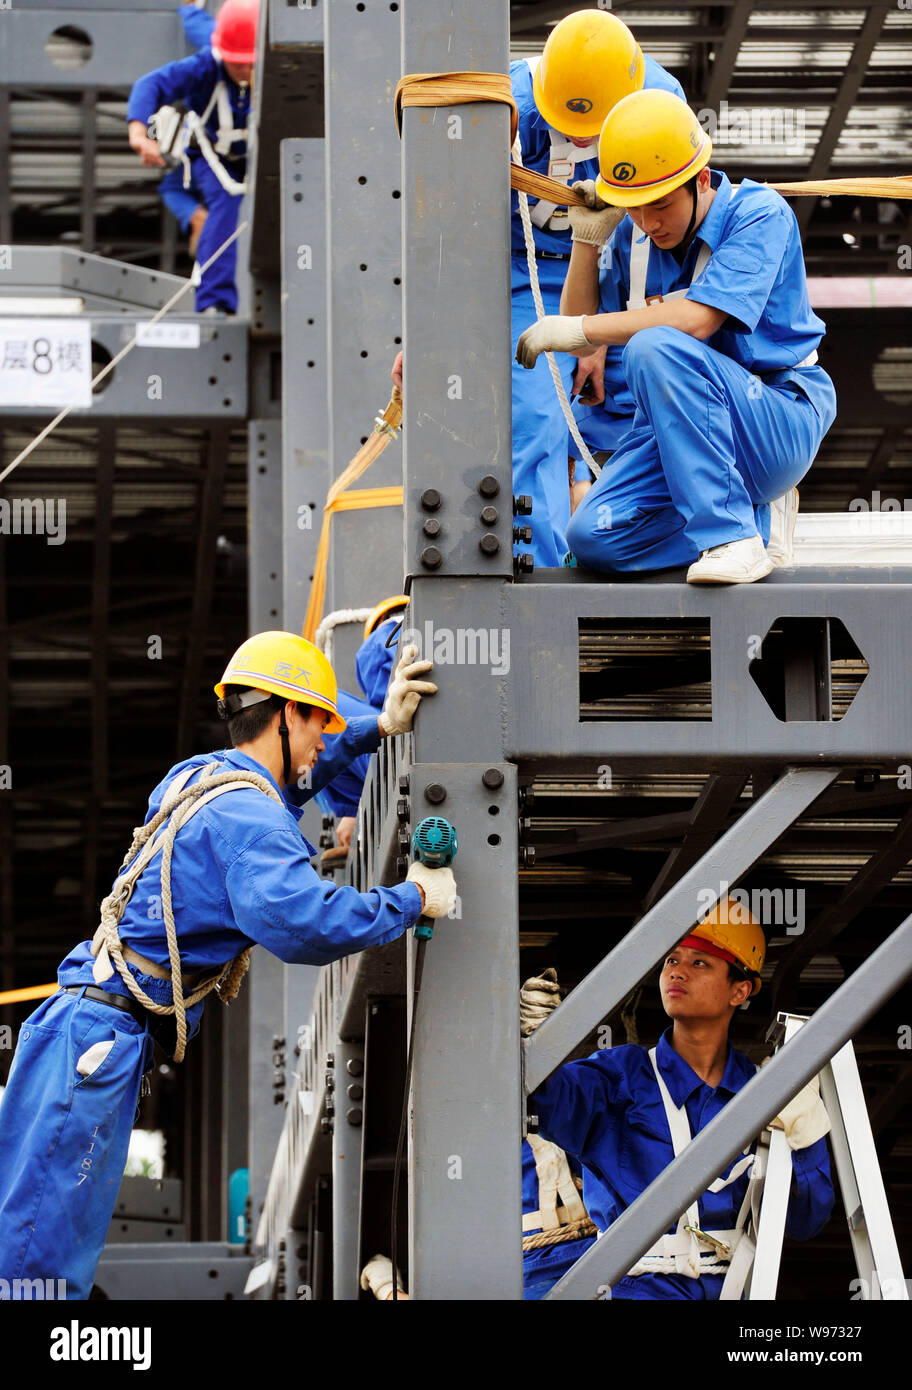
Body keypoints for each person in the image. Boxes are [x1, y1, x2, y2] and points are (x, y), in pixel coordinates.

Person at [0, 631, 456, 1301]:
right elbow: (306, 923)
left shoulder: (199, 779)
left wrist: (378, 726)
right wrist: (412, 898)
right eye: (319, 721)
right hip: (95, 1048)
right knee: (37, 1266)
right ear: (284, 715)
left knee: (27, 1240)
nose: (327, 739)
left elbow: (290, 783)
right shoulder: (248, 821)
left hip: (74, 1030)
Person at [515, 89, 837, 583]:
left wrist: (577, 329)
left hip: (774, 417)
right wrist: (587, 240)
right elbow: (585, 336)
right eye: (636, 208)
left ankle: (730, 537)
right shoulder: (635, 235)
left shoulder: (759, 214)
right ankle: (754, 520)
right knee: (593, 537)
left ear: (701, 179)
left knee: (655, 345)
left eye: (660, 205)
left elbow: (696, 321)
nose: (648, 222)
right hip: (681, 437)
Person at [525, 901, 834, 1299]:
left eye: (701, 962)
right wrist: (533, 1052)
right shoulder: (619, 1077)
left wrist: (807, 1136)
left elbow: (805, 1223)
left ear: (740, 990)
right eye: (672, 958)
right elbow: (543, 1102)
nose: (677, 970)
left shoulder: (766, 1095)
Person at [509, 9, 685, 568]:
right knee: (535, 411)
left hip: (612, 269)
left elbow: (662, 228)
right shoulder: (507, 105)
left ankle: (618, 535)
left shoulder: (661, 103)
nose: (582, 135)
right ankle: (535, 568)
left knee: (626, 399)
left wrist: (599, 327)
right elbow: (449, 224)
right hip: (515, 270)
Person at [126, 0, 258, 314]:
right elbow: (151, 83)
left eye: (249, 62)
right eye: (235, 63)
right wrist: (138, 133)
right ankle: (215, 302)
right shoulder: (205, 65)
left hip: (254, 150)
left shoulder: (266, 63)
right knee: (225, 205)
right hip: (211, 154)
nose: (243, 70)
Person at [316, 596, 409, 855]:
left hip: (405, 748)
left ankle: (354, 807)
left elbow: (386, 702)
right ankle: (354, 808)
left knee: (319, 708)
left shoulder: (386, 634)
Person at [154, 4, 218, 257]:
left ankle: (189, 6)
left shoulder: (186, 196)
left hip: (205, 117)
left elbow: (171, 185)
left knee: (215, 46)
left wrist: (197, 217)